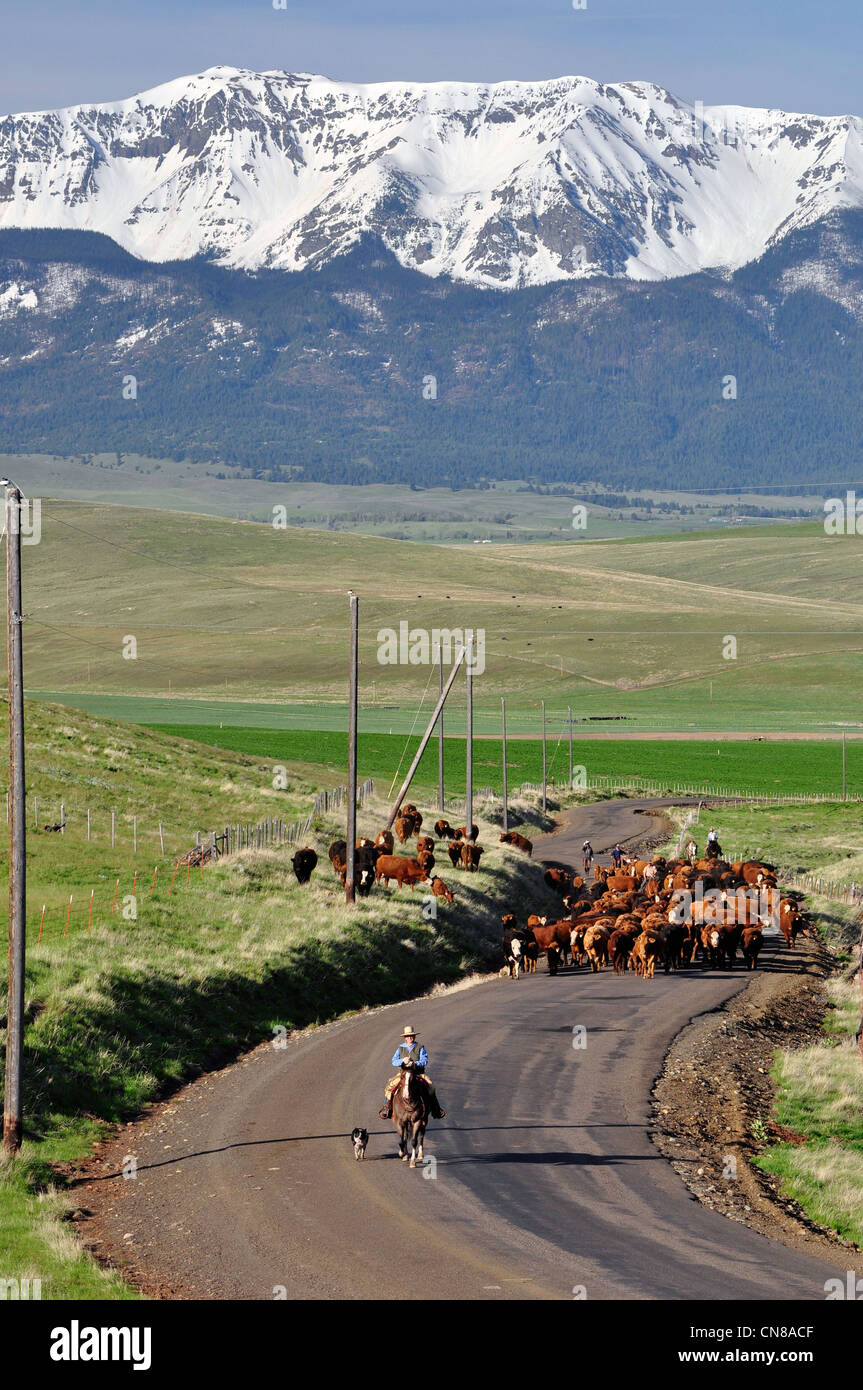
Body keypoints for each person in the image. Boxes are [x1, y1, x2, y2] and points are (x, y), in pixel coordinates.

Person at [379, 1025, 445, 1120]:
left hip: (418, 1073)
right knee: (389, 1086)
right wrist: (402, 1061)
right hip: (403, 1074)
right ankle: (387, 1108)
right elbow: (393, 1061)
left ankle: (436, 1109)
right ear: (405, 1037)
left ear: (414, 1036)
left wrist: (415, 1063)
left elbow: (425, 1060)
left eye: (411, 1036)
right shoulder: (400, 1048)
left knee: (431, 1087)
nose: (410, 1037)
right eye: (407, 1036)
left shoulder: (420, 1047)